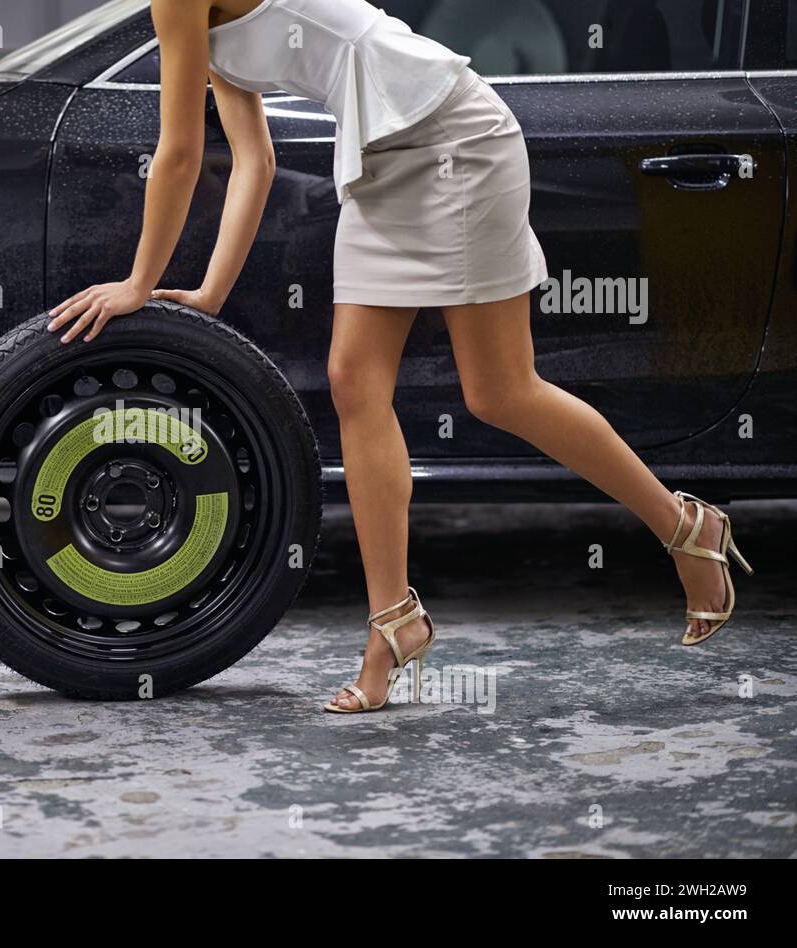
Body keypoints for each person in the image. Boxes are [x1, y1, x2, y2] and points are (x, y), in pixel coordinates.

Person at [45, 0, 752, 713]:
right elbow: (252, 160)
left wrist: (137, 283)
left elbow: (180, 153)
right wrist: (208, 293)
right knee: (353, 381)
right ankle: (394, 623)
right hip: (380, 156)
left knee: (501, 391)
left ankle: (685, 528)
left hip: (454, 138)